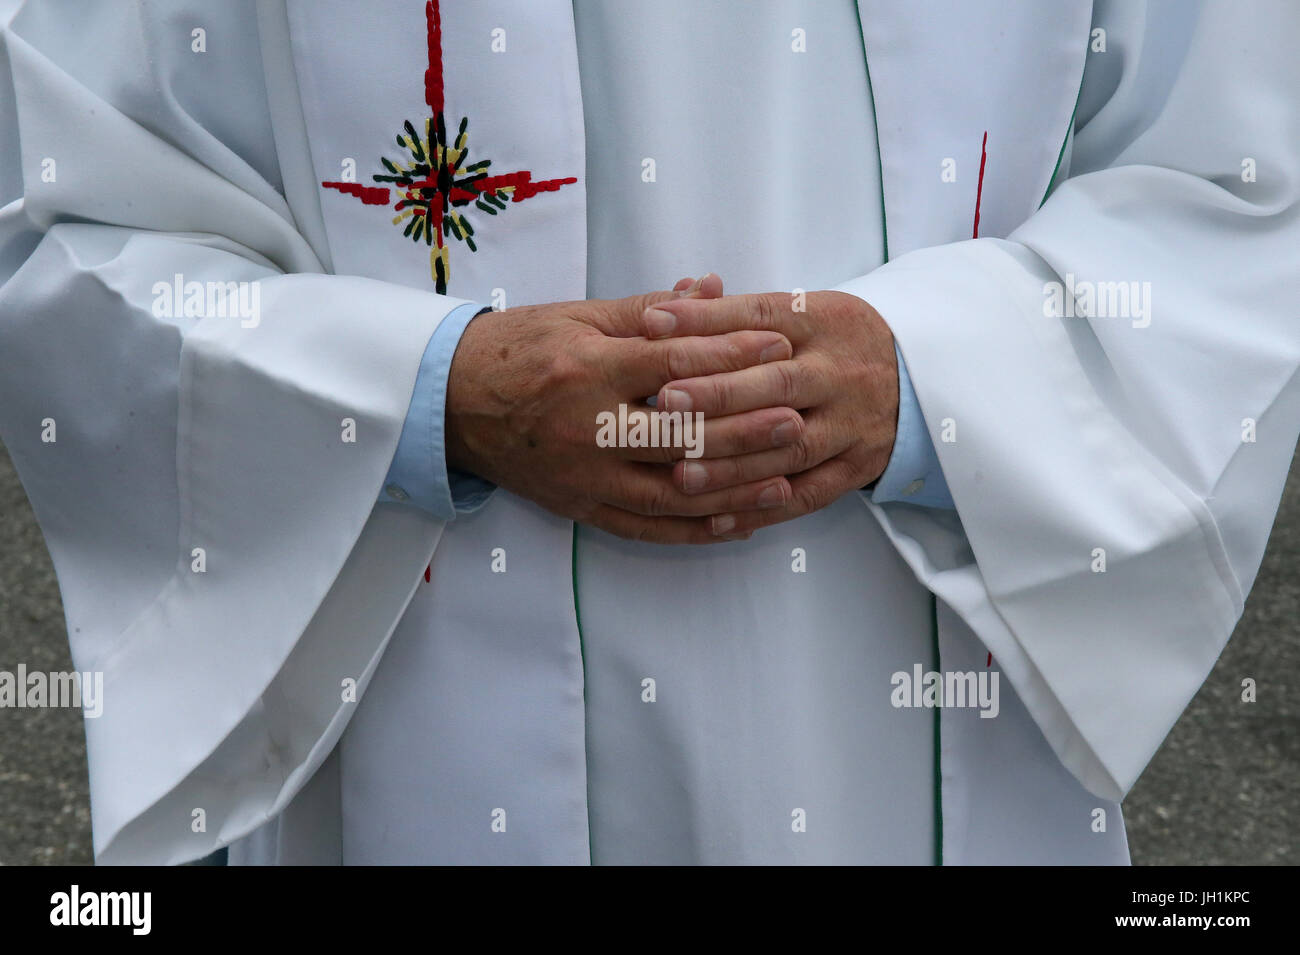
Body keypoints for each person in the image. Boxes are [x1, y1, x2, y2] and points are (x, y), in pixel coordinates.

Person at [0, 0, 1295, 864]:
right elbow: (68, 220)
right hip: (413, 710)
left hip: (886, 697)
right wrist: (419, 395)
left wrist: (937, 377)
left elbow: (1238, 182)